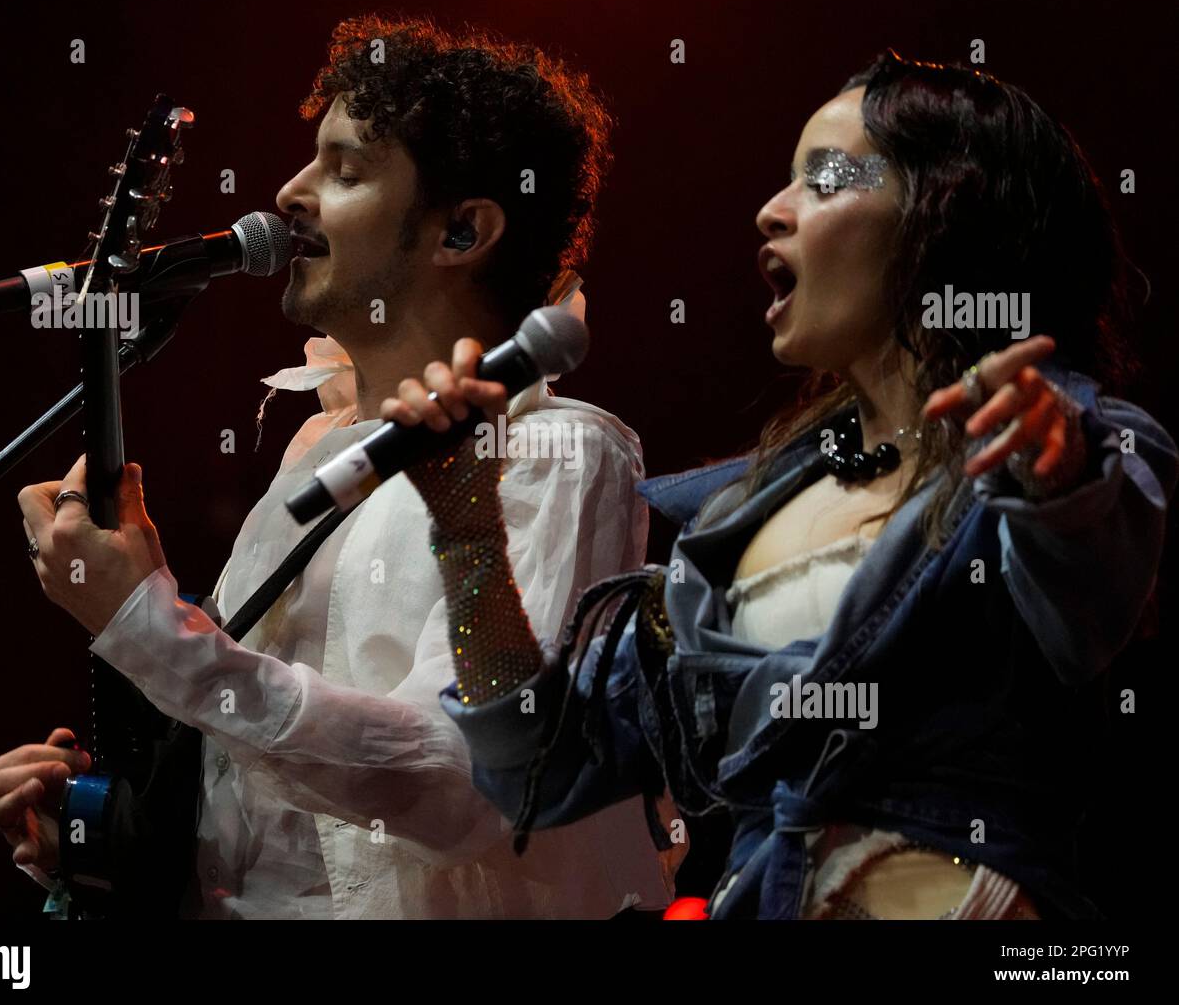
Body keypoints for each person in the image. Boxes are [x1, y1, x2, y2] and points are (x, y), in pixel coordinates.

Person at [386, 50, 1179, 919]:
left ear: (947, 210)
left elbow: (1087, 591)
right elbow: (536, 765)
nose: (770, 212)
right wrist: (467, 534)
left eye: (827, 181)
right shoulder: (732, 523)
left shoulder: (1074, 442)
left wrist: (1053, 475)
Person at [0, 15, 669, 919]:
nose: (288, 194)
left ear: (462, 230)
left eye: (345, 171)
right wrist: (97, 829)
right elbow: (259, 811)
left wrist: (146, 626)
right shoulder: (317, 445)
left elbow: (462, 781)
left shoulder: (555, 450)